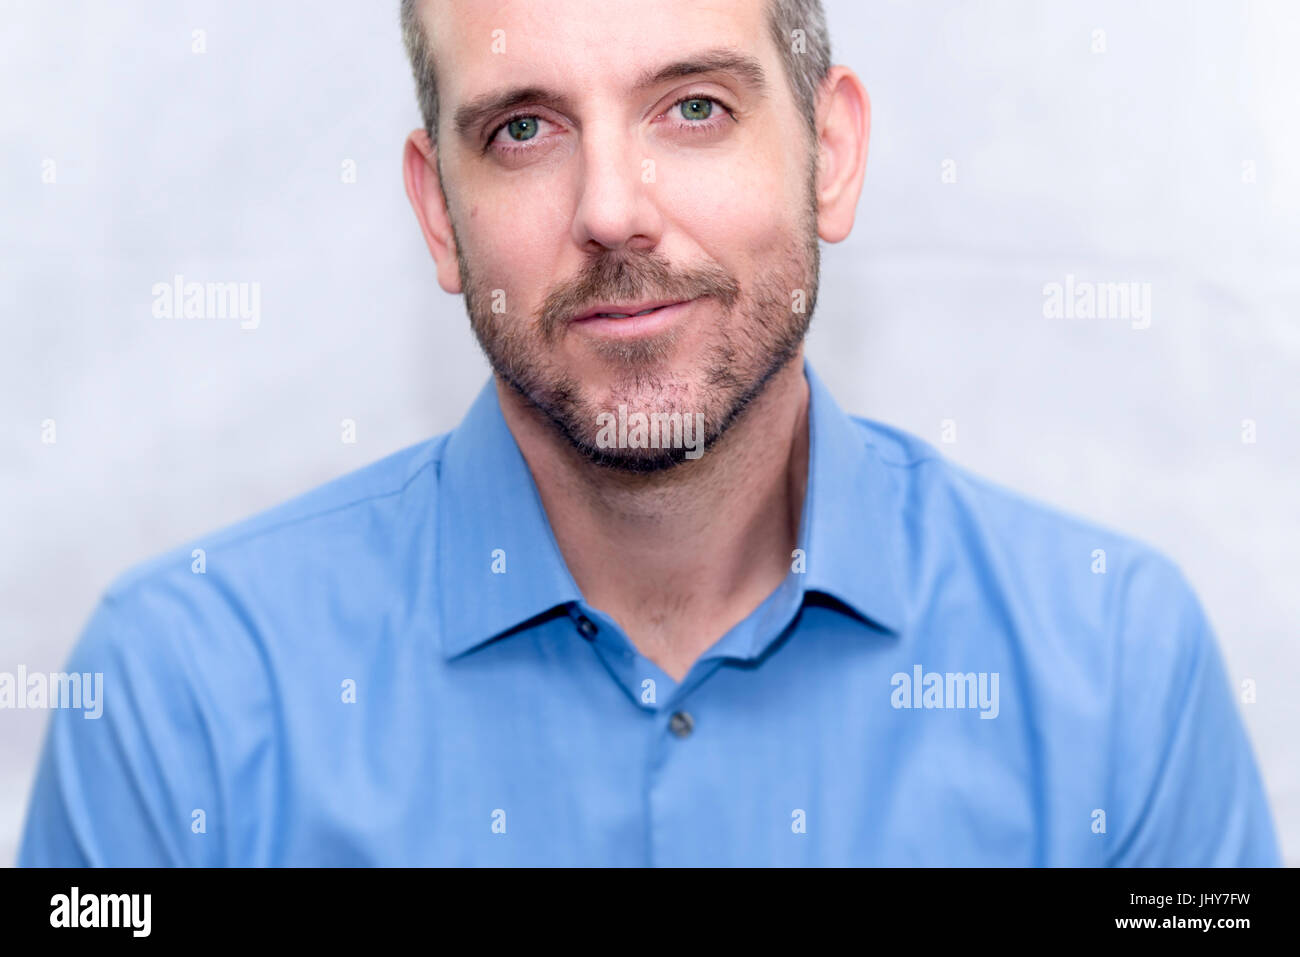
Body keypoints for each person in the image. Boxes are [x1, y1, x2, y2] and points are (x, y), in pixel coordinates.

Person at [18, 0, 1279, 866]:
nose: (614, 211)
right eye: (523, 129)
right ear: (440, 214)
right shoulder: (176, 696)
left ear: (830, 155)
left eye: (694, 108)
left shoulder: (1117, 669)